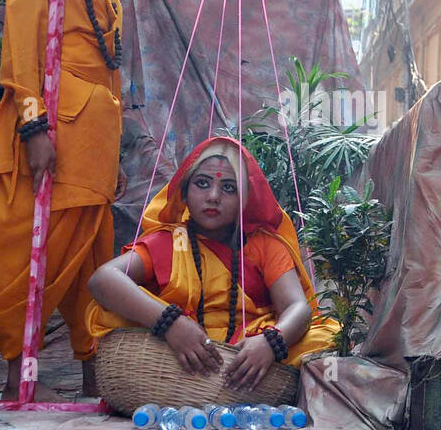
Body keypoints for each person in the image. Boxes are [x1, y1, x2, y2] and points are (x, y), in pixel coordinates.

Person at [0, 0, 139, 400]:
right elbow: (22, 58)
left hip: (92, 149)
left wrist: (111, 153)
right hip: (47, 140)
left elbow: (109, 72)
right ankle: (15, 379)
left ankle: (98, 378)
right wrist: (33, 128)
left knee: (91, 262)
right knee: (31, 254)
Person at [86, 137, 337, 390]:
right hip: (176, 346)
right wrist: (172, 325)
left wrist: (270, 343)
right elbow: (102, 279)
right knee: (112, 313)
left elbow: (297, 307)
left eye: (229, 188)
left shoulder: (264, 244)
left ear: (245, 200)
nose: (213, 197)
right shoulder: (170, 242)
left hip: (248, 350)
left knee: (327, 337)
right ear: (184, 193)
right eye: (202, 184)